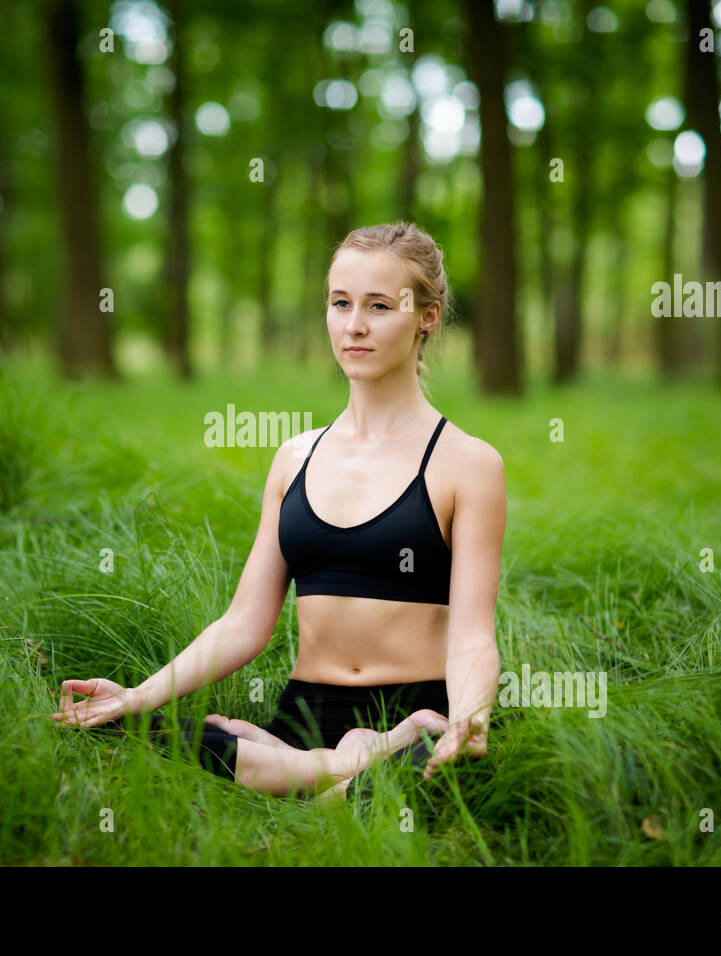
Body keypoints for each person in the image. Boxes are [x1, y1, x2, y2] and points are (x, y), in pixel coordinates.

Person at [50, 222, 506, 800]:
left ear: (427, 317)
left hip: (416, 712)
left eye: (380, 306)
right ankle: (330, 769)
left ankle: (338, 764)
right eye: (340, 303)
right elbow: (245, 624)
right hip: (302, 717)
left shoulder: (468, 464)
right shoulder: (295, 458)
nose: (354, 325)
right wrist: (137, 696)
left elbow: (471, 636)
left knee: (434, 770)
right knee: (122, 731)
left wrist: (470, 718)